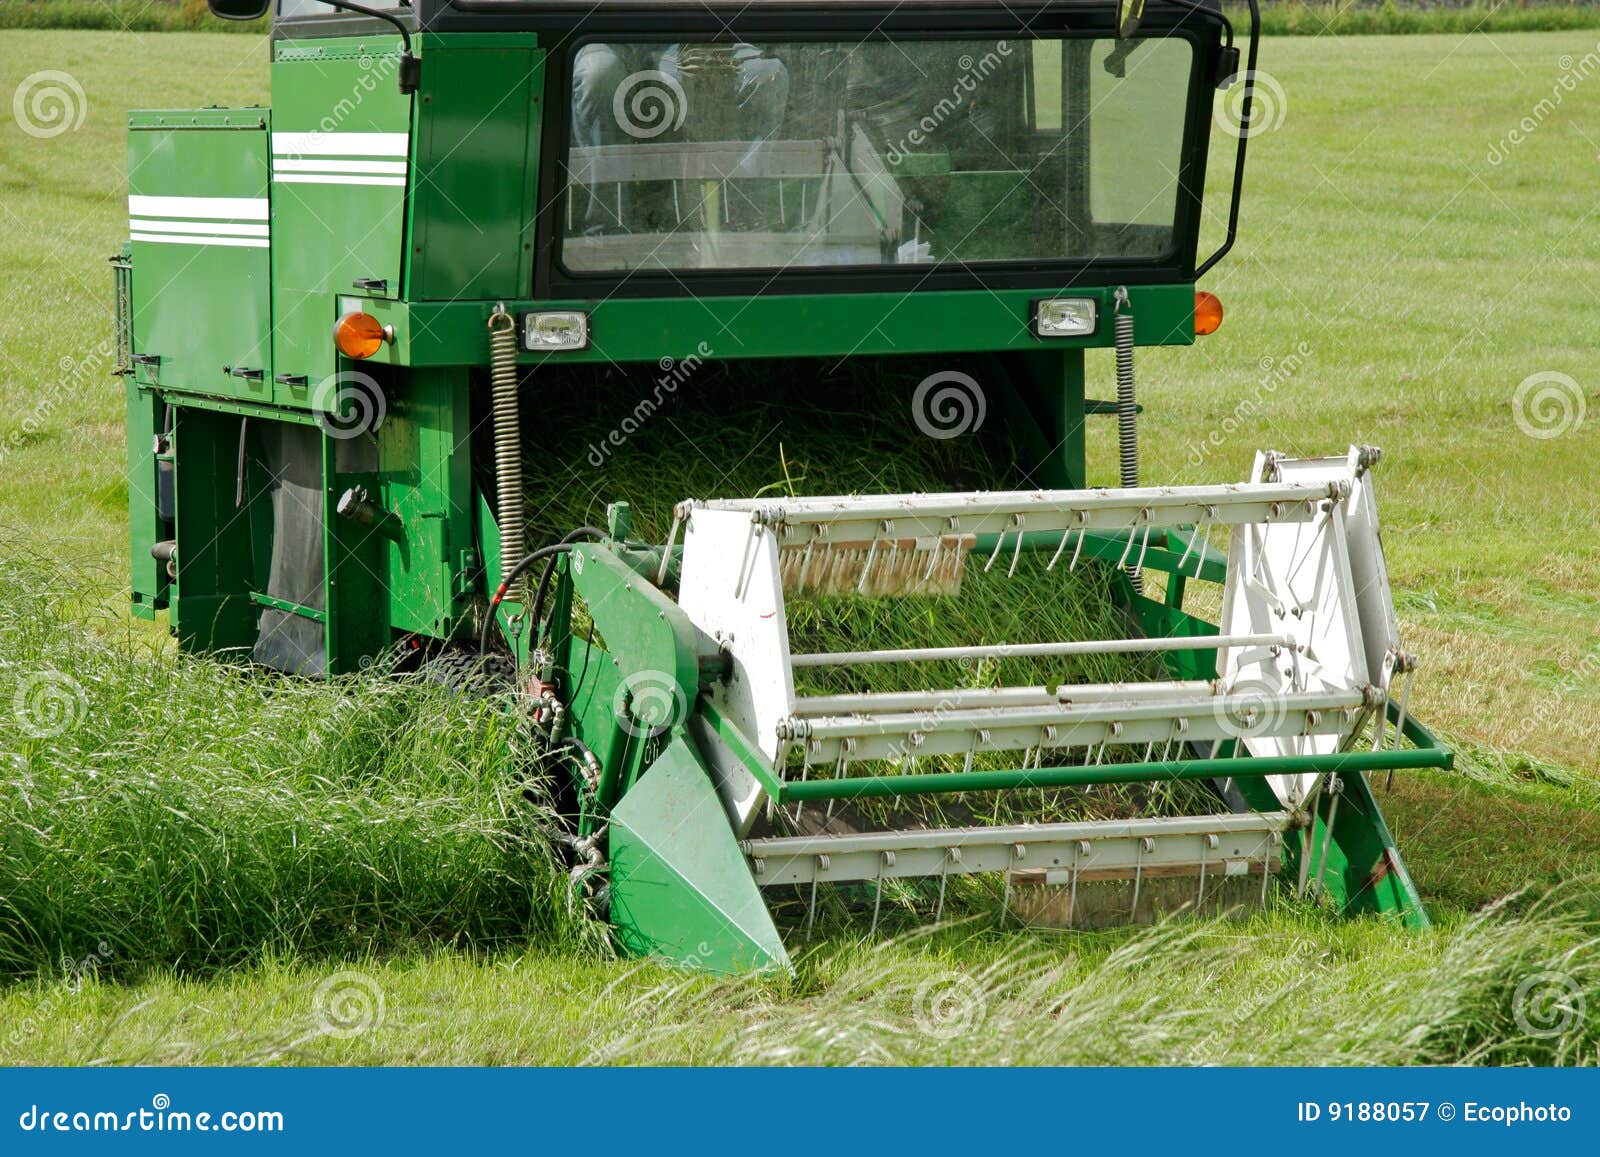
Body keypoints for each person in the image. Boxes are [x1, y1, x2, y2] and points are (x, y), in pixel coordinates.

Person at [570, 42, 789, 234]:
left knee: (769, 74)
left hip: (692, 33)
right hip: (613, 35)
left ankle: (745, 221)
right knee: (599, 74)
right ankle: (609, 224)